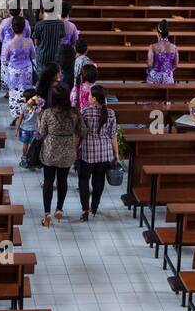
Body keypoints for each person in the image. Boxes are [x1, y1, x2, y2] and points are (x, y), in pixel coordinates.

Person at [38, 84, 84, 227]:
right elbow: (83, 131)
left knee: (48, 182)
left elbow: (41, 132)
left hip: (50, 151)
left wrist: (39, 119)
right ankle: (59, 209)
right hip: (68, 151)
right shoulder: (74, 113)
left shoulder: (48, 113)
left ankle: (47, 214)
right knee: (62, 181)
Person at [77, 84, 120, 221]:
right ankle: (94, 207)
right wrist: (116, 154)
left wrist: (76, 148)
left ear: (94, 99)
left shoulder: (85, 112)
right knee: (99, 182)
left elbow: (80, 133)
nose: (88, 97)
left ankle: (85, 209)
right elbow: (113, 136)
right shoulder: (111, 113)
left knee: (83, 180)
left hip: (88, 152)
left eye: (90, 95)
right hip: (105, 153)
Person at [3, 15, 37, 122]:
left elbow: (5, 59)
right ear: (24, 28)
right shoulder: (29, 41)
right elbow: (33, 56)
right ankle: (27, 115)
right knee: (27, 92)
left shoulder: (8, 43)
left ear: (13, 28)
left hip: (13, 71)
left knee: (14, 92)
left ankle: (17, 116)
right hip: (27, 70)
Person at [32, 8, 66, 75]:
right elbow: (61, 41)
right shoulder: (61, 23)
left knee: (42, 77)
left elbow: (36, 43)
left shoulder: (39, 25)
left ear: (43, 11)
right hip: (56, 55)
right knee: (54, 76)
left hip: (42, 56)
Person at [146, 20, 179, 86]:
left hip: (154, 78)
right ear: (168, 33)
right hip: (168, 78)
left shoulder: (152, 47)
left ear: (158, 33)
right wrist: (167, 71)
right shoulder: (174, 47)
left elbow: (149, 64)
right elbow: (176, 65)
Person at [18, 88, 44, 167]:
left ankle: (24, 158)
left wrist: (17, 129)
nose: (23, 98)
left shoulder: (23, 106)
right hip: (35, 130)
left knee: (25, 144)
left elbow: (20, 118)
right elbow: (40, 118)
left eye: (24, 97)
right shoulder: (38, 108)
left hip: (24, 129)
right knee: (33, 145)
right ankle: (33, 158)